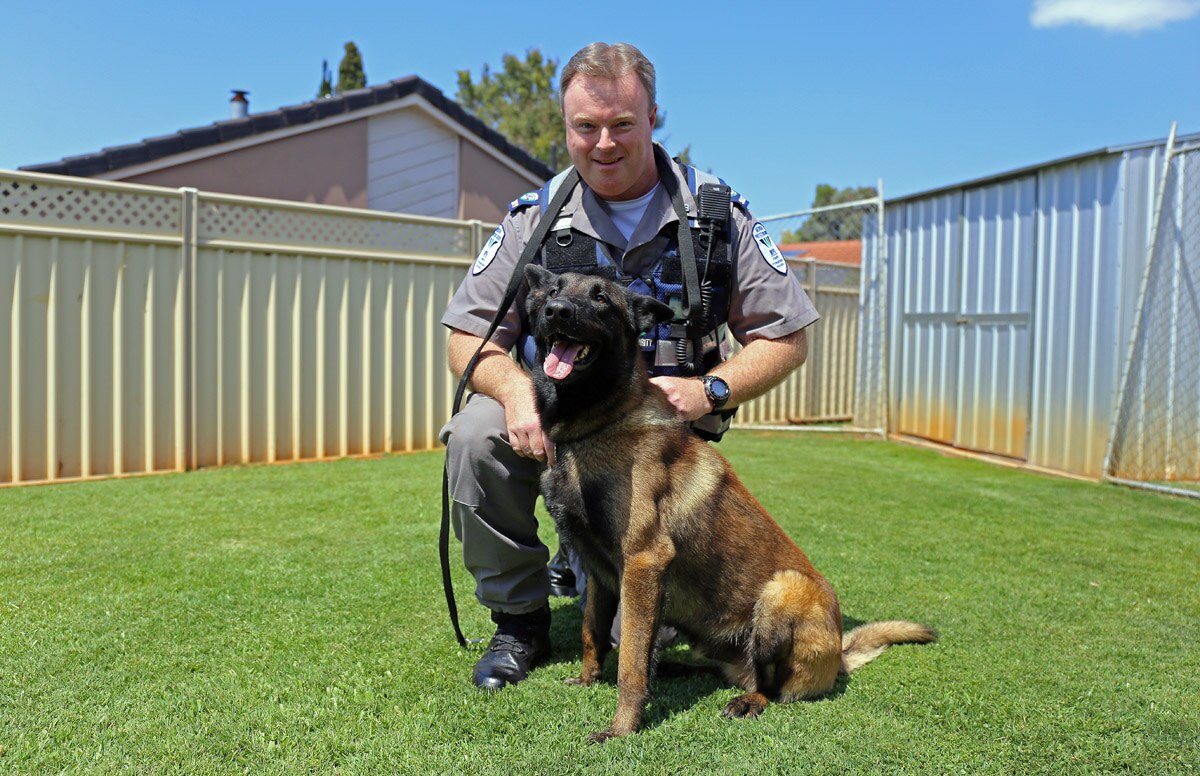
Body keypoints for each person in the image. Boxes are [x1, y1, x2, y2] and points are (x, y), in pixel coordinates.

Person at [439, 42, 819, 690]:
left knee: (640, 631)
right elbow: (467, 335)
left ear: (653, 117)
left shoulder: (715, 214)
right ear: (567, 126)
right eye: (585, 126)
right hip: (557, 419)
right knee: (476, 435)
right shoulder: (535, 216)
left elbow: (785, 337)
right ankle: (519, 620)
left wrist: (711, 388)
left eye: (622, 124)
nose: (604, 143)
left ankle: (603, 574)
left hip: (654, 438)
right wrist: (516, 393)